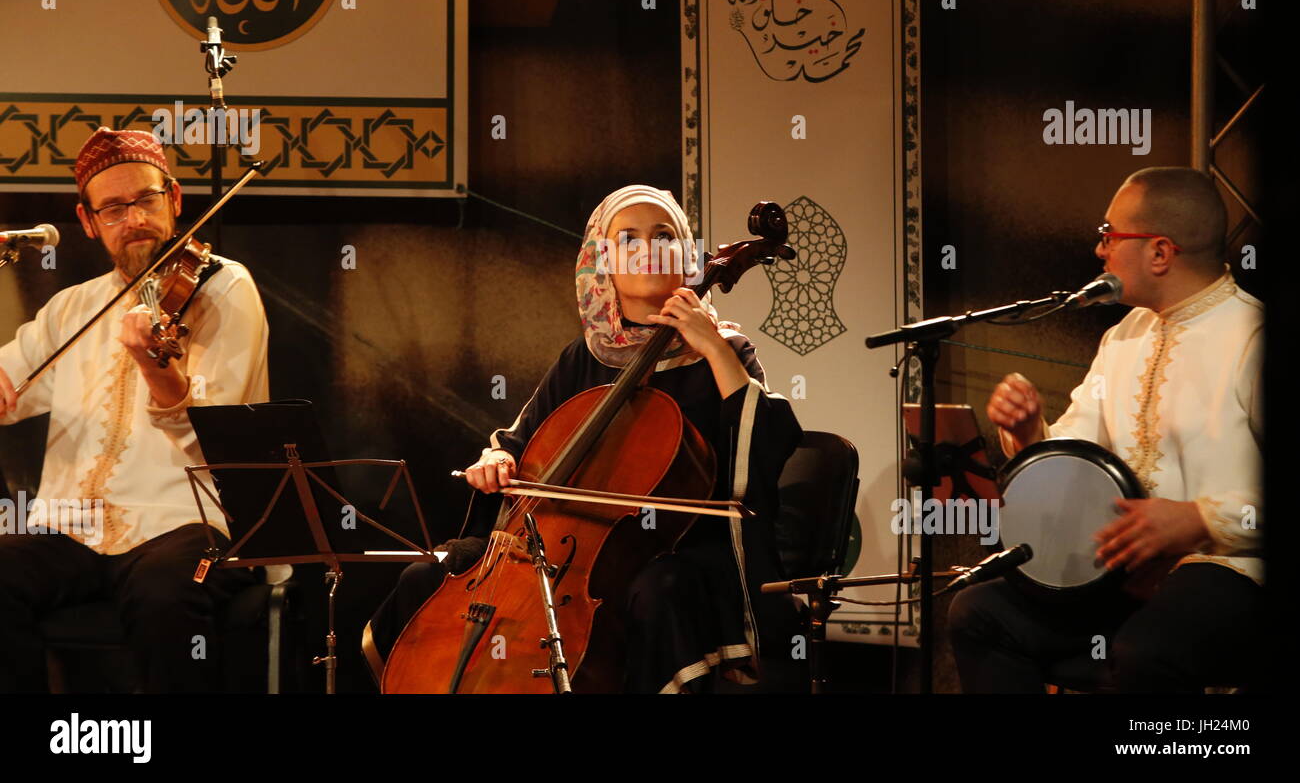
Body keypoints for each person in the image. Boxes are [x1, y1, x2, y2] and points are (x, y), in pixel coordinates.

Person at [364, 184, 804, 692]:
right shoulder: (585, 356)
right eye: (629, 238)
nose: (649, 249)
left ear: (685, 253)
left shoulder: (725, 350)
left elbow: (767, 446)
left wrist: (712, 347)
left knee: (658, 589)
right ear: (603, 261)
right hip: (565, 548)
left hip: (679, 547)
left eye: (664, 235)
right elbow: (522, 440)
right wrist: (496, 460)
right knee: (431, 576)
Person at [948, 166, 1262, 692]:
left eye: (1110, 235)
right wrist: (1028, 434)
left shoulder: (1251, 336)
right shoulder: (1123, 337)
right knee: (980, 613)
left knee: (1145, 651)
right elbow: (1075, 457)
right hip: (1121, 575)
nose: (1100, 250)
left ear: (1160, 252)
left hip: (1229, 570)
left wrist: (1198, 518)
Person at [0, 127, 270, 692]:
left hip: (184, 520)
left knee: (166, 595)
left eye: (146, 199)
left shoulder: (223, 289)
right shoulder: (71, 307)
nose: (135, 219)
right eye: (114, 208)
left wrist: (155, 365)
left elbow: (217, 437)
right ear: (89, 220)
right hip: (74, 527)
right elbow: (11, 381)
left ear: (173, 199)